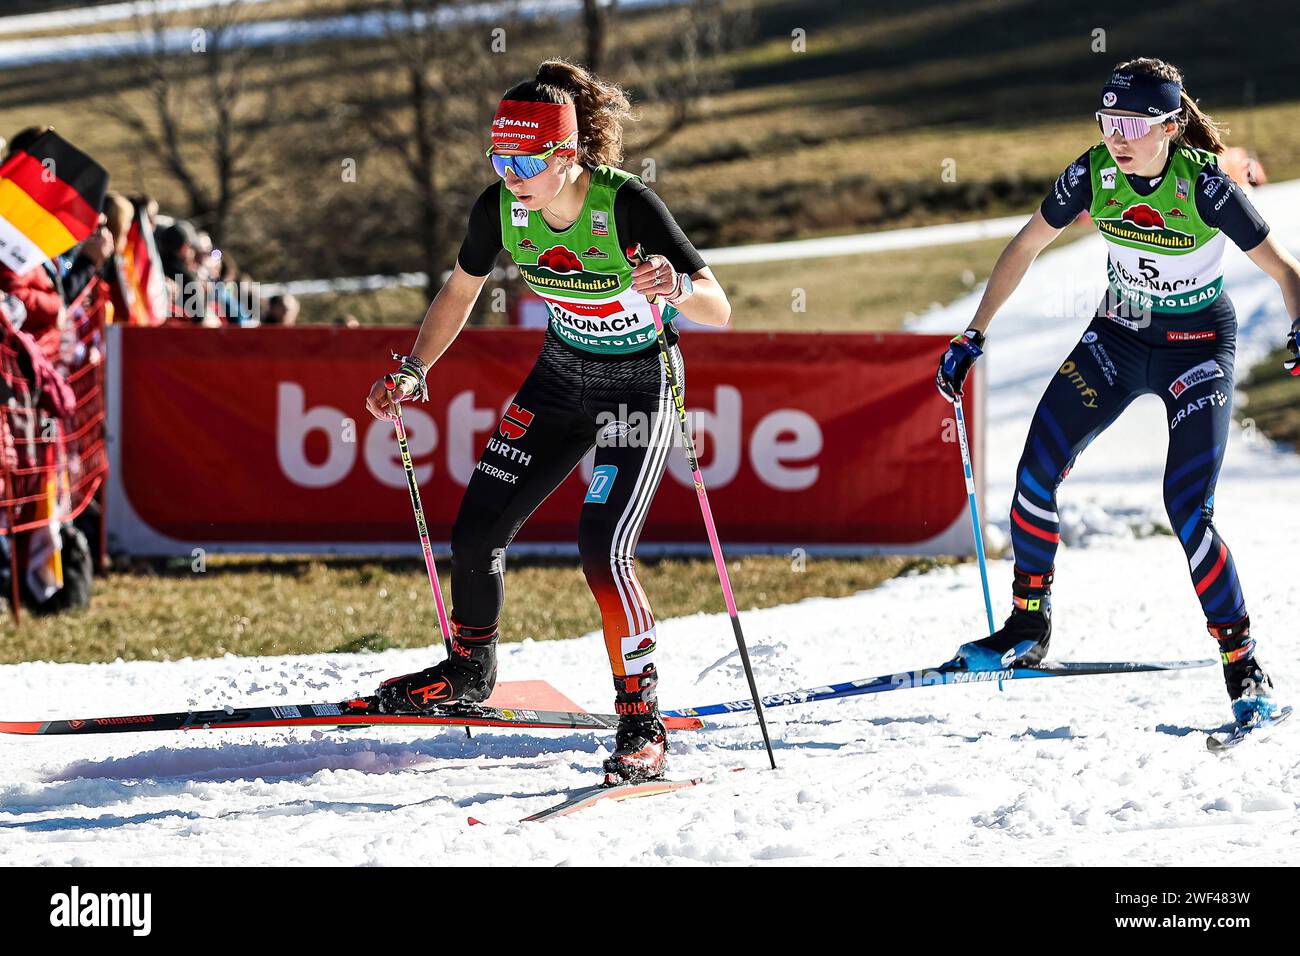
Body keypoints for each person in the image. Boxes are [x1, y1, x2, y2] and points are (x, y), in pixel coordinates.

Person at [363, 59, 730, 782]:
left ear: (567, 157)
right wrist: (414, 367)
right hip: (561, 378)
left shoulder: (628, 204)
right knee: (477, 528)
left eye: (524, 160)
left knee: (602, 546)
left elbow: (720, 306)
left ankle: (641, 721)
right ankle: (469, 673)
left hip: (637, 382)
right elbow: (460, 290)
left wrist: (676, 285)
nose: (509, 174)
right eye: (498, 159)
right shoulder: (499, 208)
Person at [935, 58, 1300, 730]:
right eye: (1107, 121)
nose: (1116, 136)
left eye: (1130, 123)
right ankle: (1026, 626)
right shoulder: (1094, 174)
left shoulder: (1206, 185)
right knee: (1034, 475)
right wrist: (973, 333)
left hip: (1197, 347)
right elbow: (1025, 245)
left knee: (1187, 509)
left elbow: (1285, 271)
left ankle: (1243, 660)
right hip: (1120, 334)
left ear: (1168, 125)